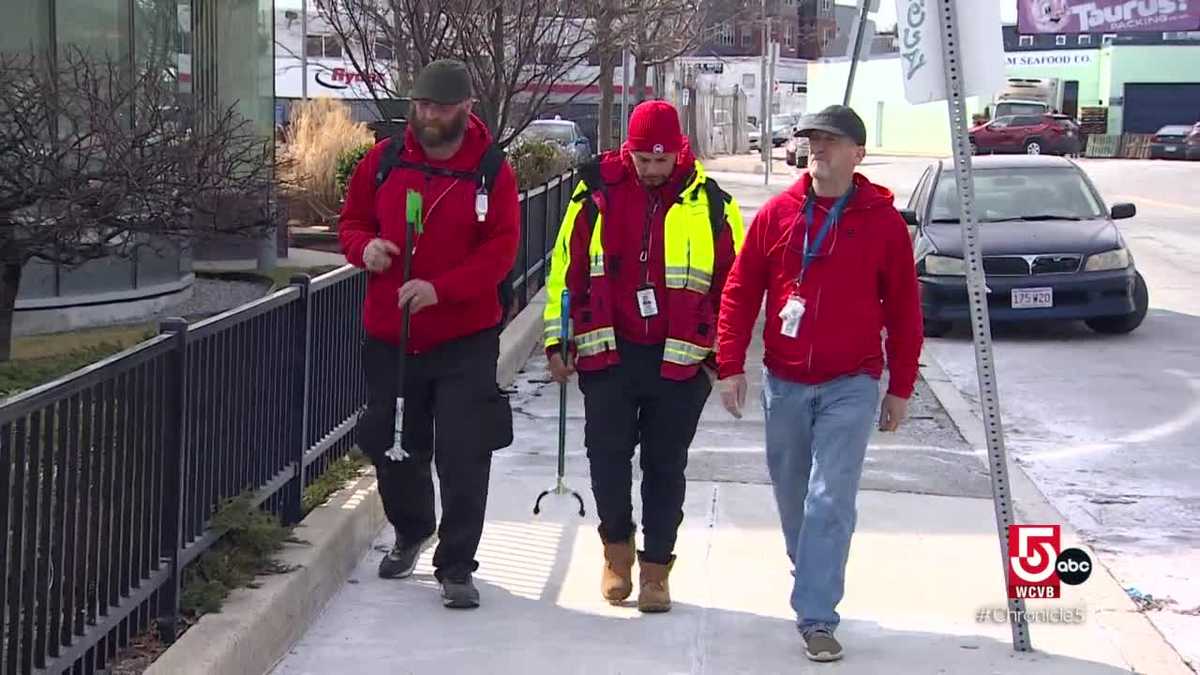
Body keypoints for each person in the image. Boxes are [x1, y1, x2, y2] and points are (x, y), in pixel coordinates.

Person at [714, 105, 922, 661]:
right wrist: (730, 363)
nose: (817, 150)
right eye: (812, 140)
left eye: (830, 142)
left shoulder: (882, 223)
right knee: (792, 498)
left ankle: (817, 616)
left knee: (829, 500)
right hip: (785, 381)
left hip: (850, 383)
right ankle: (810, 570)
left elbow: (904, 311)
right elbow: (740, 290)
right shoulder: (778, 214)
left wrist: (900, 386)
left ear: (858, 154)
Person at [543, 100, 745, 613]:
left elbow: (736, 285)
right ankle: (616, 554)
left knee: (664, 465)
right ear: (628, 152)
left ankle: (657, 570)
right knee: (607, 458)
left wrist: (725, 355)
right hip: (606, 351)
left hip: (680, 360)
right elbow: (564, 270)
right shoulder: (593, 195)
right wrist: (556, 339)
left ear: (679, 152)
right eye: (643, 161)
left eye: (662, 161)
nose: (653, 171)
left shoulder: (714, 204)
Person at [339, 59, 520, 609]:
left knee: (464, 452)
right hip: (391, 337)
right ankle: (413, 529)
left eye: (440, 107)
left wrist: (441, 289)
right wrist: (363, 249)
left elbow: (500, 251)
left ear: (466, 109)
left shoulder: (492, 171)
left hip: (464, 338)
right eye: (420, 105)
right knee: (394, 446)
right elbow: (351, 222)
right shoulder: (383, 161)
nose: (427, 115)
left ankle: (457, 564)